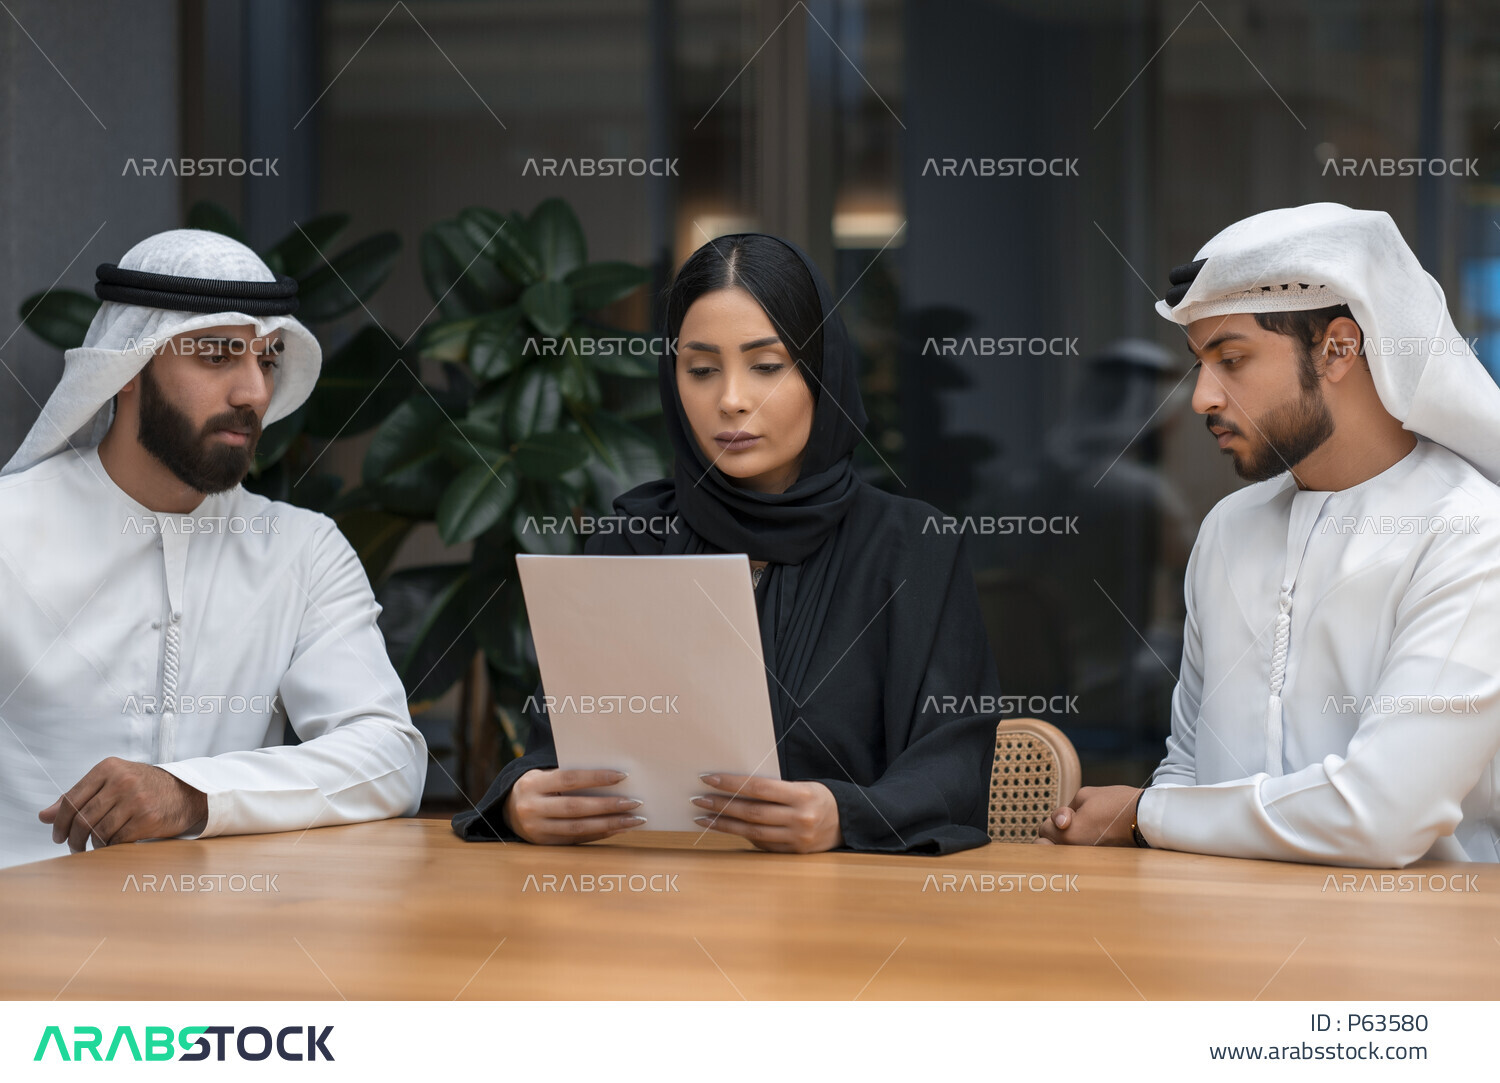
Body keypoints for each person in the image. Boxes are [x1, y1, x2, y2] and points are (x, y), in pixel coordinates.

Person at [454, 233, 1001, 854]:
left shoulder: (913, 549)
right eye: (701, 370)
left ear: (822, 373)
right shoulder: (632, 540)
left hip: (851, 902)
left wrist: (844, 817)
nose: (731, 401)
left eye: (766, 366)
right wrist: (521, 799)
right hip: (647, 896)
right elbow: (558, 751)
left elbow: (955, 767)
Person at [1040, 203, 1500, 867]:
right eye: (1199, 363)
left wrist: (1144, 814)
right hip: (1212, 922)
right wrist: (1155, 823)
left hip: (1413, 929)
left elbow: (1381, 818)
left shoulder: (1471, 534)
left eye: (1232, 359)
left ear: (1338, 349)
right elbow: (1186, 769)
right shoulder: (1228, 528)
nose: (1202, 398)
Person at [0, 228, 427, 868]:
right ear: (127, 368)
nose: (253, 392)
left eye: (266, 360)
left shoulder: (303, 550)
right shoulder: (9, 530)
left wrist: (195, 796)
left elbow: (390, 757)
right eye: (218, 356)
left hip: (230, 924)